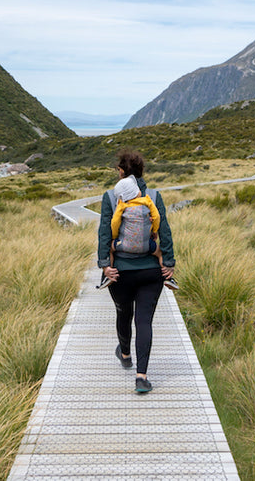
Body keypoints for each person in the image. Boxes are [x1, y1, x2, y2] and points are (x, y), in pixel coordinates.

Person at [98, 149, 175, 393]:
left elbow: (104, 232)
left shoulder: (111, 197)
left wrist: (104, 265)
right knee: (144, 321)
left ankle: (125, 353)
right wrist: (169, 263)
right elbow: (165, 231)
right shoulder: (154, 195)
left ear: (121, 172)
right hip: (151, 271)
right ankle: (141, 377)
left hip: (120, 271)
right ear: (141, 173)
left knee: (123, 314)